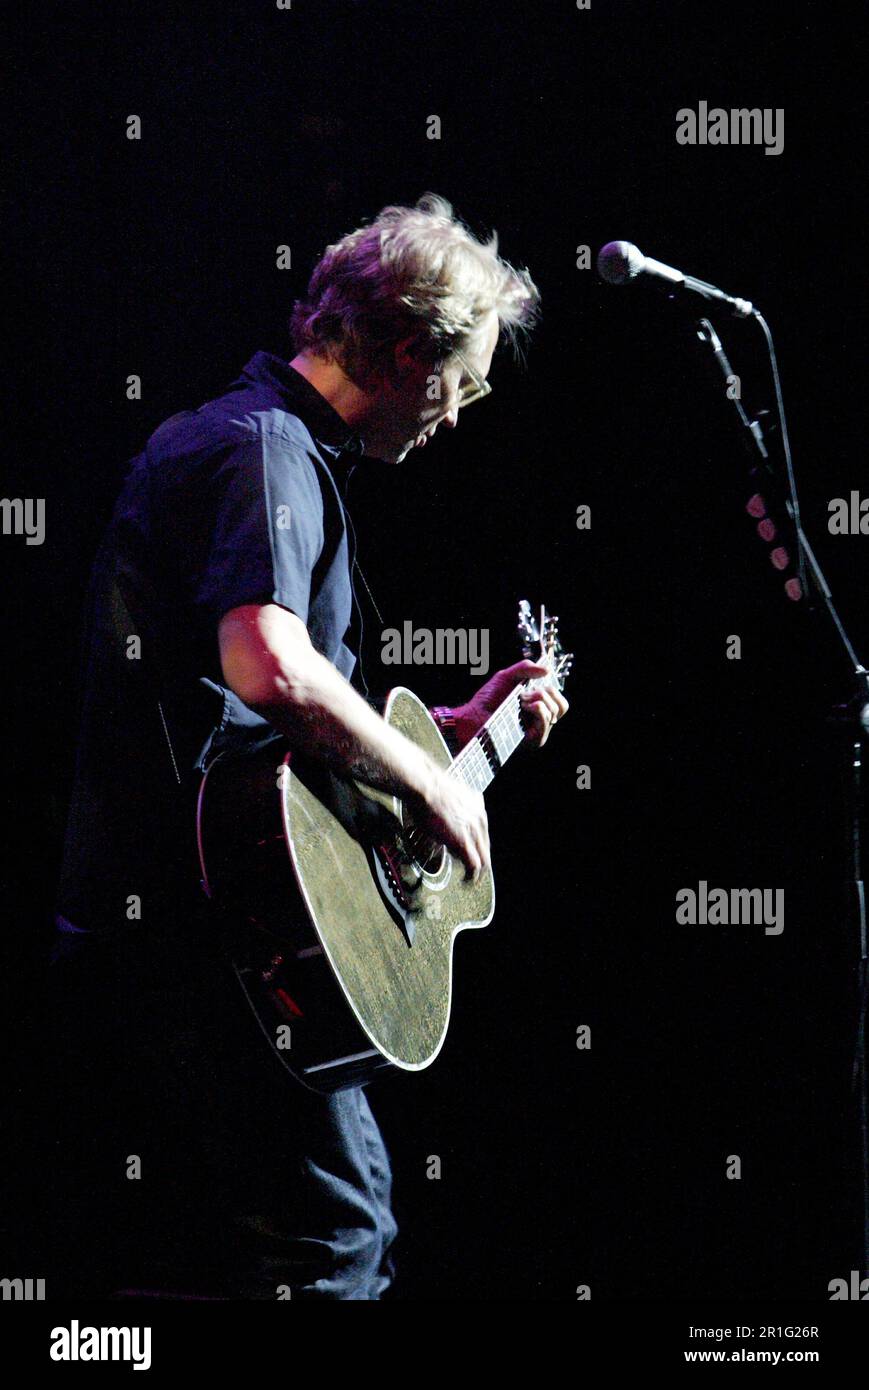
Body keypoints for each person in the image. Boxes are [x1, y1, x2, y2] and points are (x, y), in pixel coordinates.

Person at [45, 192, 568, 1300]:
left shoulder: (267, 451)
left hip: (189, 946)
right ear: (402, 348)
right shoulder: (259, 449)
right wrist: (431, 778)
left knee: (230, 1254)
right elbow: (268, 670)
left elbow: (283, 749)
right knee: (335, 1248)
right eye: (459, 380)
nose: (457, 414)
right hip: (203, 953)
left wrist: (463, 736)